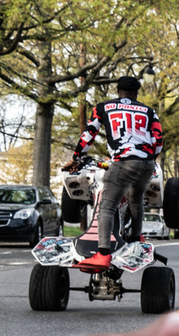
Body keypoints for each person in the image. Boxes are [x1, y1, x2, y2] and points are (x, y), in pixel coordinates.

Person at [64, 75, 163, 271]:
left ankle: (102, 254)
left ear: (118, 91)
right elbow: (158, 140)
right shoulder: (149, 111)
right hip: (147, 162)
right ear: (136, 93)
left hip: (123, 162)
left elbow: (89, 134)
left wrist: (76, 158)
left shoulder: (104, 107)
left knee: (106, 207)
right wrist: (150, 159)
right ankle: (136, 238)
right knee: (136, 198)